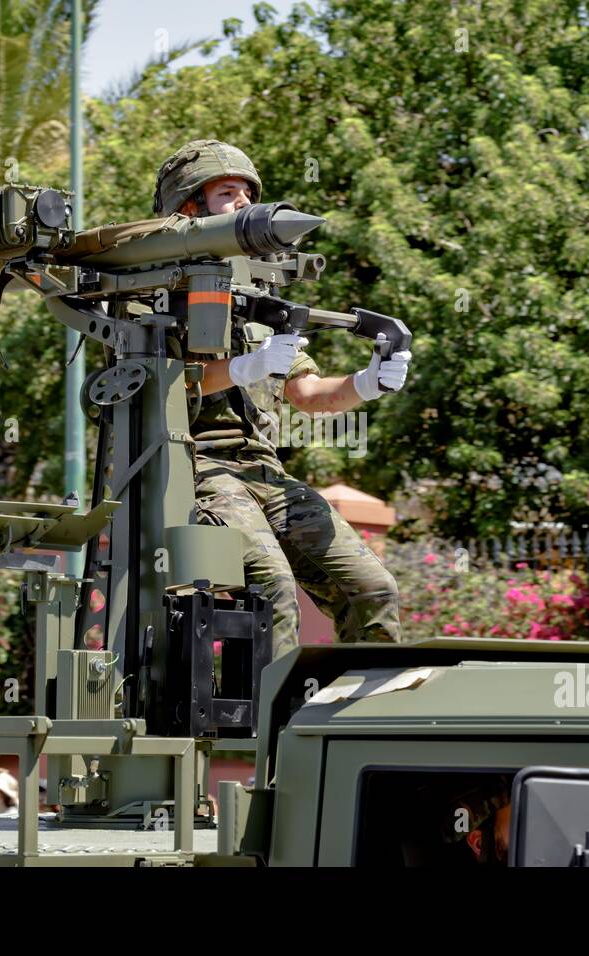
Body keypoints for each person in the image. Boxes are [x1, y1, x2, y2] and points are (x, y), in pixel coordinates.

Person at [152, 139, 414, 658]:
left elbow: (309, 394)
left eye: (249, 192)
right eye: (227, 193)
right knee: (271, 590)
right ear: (189, 208)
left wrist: (369, 381)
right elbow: (160, 386)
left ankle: (363, 718)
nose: (244, 202)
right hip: (194, 468)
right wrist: (244, 367)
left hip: (263, 473)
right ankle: (269, 732)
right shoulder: (147, 300)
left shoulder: (257, 305)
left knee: (372, 589)